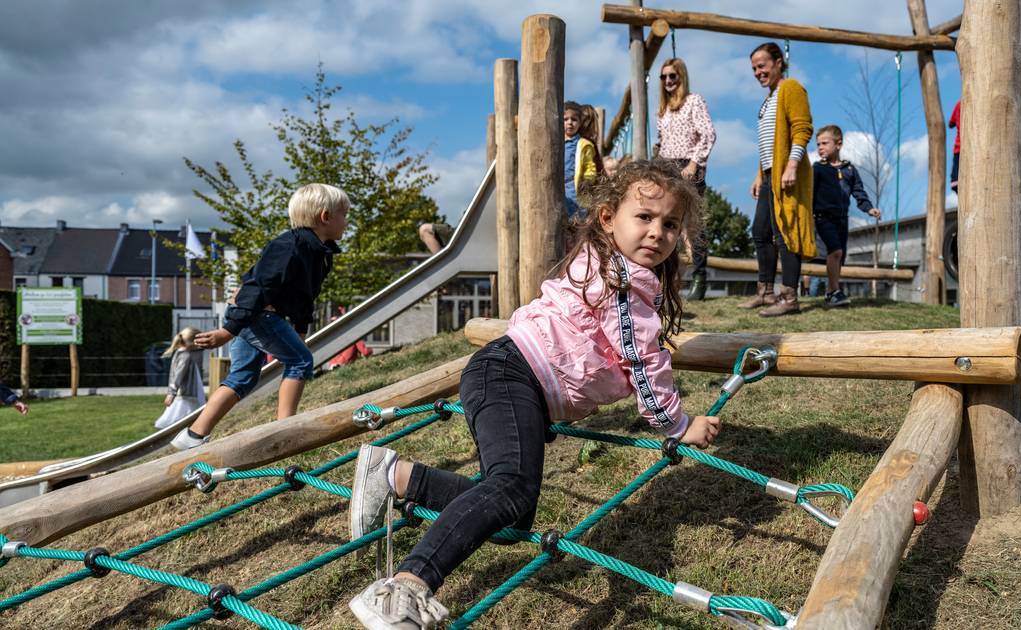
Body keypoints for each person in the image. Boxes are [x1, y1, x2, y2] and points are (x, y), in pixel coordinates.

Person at [346, 160, 721, 630]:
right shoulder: (621, 283)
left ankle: (395, 475)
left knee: (512, 518)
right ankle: (403, 589)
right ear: (608, 218)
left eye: (670, 223)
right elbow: (643, 364)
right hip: (512, 374)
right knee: (510, 487)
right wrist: (679, 426)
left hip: (507, 374)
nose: (657, 232)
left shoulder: (615, 270)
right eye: (643, 217)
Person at [174, 183, 348, 450]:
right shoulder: (287, 246)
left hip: (255, 315)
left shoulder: (320, 254)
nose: (346, 221)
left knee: (242, 377)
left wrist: (300, 332)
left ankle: (193, 436)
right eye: (343, 214)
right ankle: (284, 430)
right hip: (254, 314)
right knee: (302, 362)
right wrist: (227, 331)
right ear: (325, 216)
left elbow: (305, 298)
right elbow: (258, 287)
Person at [742, 42, 816, 317]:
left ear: (778, 63)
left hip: (786, 174)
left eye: (762, 65)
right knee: (760, 232)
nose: (757, 72)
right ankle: (765, 292)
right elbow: (769, 144)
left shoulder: (791, 88)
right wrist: (758, 174)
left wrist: (793, 165)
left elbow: (802, 128)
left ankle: (789, 297)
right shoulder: (769, 98)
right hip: (769, 174)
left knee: (786, 232)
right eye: (754, 68)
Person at [654, 57, 717, 301]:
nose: (668, 81)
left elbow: (708, 134)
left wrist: (694, 162)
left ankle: (699, 279)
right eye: (664, 77)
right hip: (665, 166)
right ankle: (666, 280)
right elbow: (661, 138)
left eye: (673, 76)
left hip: (687, 165)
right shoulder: (663, 109)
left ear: (681, 77)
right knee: (665, 223)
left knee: (692, 225)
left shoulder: (693, 102)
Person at [811, 125, 882, 308]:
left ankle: (830, 293)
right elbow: (809, 193)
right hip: (822, 217)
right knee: (835, 251)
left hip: (842, 220)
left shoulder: (849, 169)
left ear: (838, 144)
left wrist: (869, 209)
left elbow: (859, 193)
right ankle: (835, 291)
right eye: (818, 144)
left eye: (825, 143)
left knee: (839, 257)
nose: (820, 148)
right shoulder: (818, 169)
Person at [154, 327, 206, 430]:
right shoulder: (185, 356)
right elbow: (178, 375)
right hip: (186, 394)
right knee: (187, 418)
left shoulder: (180, 353)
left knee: (187, 419)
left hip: (186, 394)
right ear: (193, 342)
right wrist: (171, 393)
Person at [563, 101, 598, 220]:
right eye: (565, 119)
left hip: (574, 185)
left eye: (574, 119)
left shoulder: (584, 144)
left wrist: (588, 179)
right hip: (559, 185)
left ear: (580, 123)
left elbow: (590, 166)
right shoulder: (557, 142)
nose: (569, 123)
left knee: (577, 217)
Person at [948, 99, 961, 193]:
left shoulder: (959, 104)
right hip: (963, 147)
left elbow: (950, 124)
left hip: (959, 147)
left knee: (956, 181)